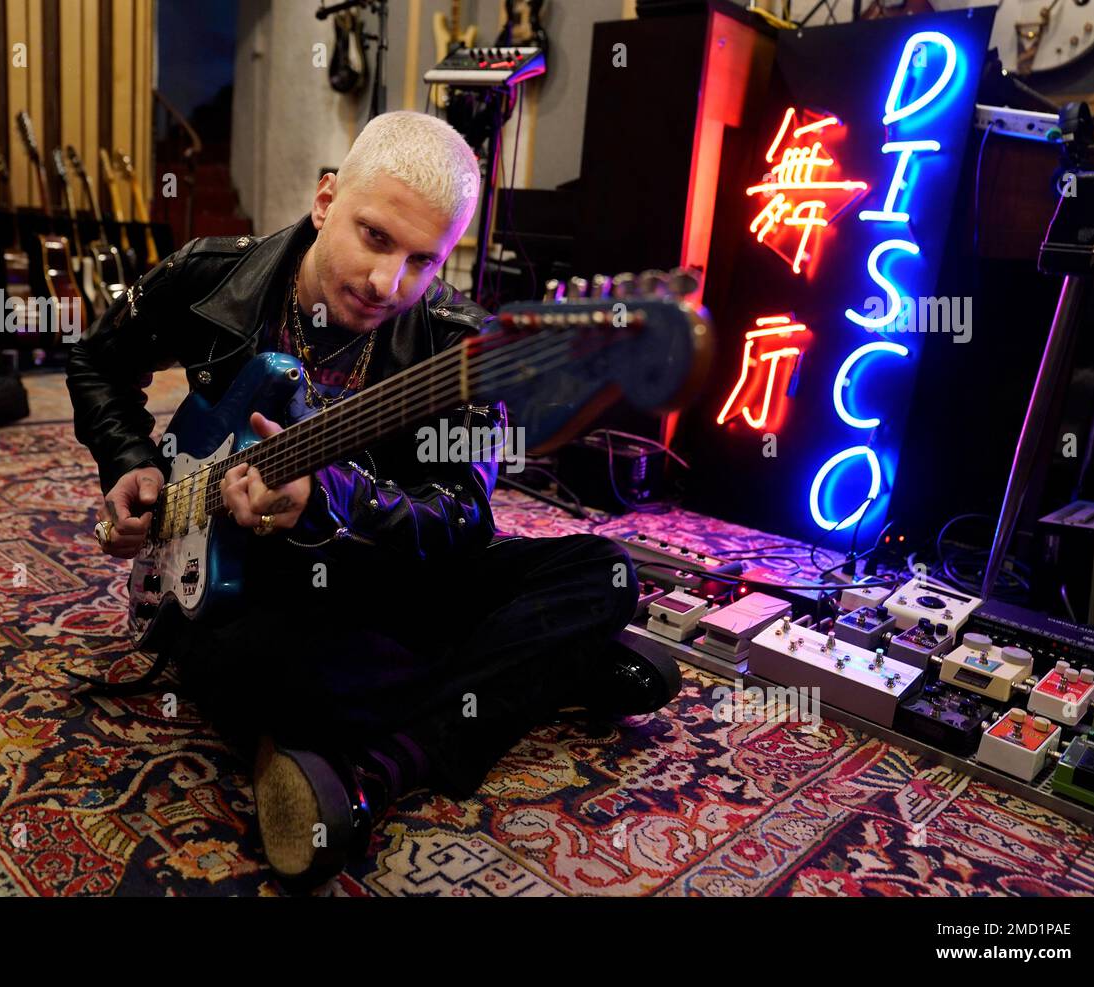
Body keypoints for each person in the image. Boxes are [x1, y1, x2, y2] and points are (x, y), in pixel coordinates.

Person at [66, 111, 680, 889]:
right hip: (242, 586)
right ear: (326, 200)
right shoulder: (213, 273)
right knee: (272, 661)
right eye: (376, 237)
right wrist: (128, 461)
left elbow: (461, 517)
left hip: (387, 573)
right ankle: (543, 665)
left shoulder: (461, 348)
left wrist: (335, 499)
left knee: (605, 571)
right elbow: (93, 360)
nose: (389, 283)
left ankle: (384, 768)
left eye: (426, 260)